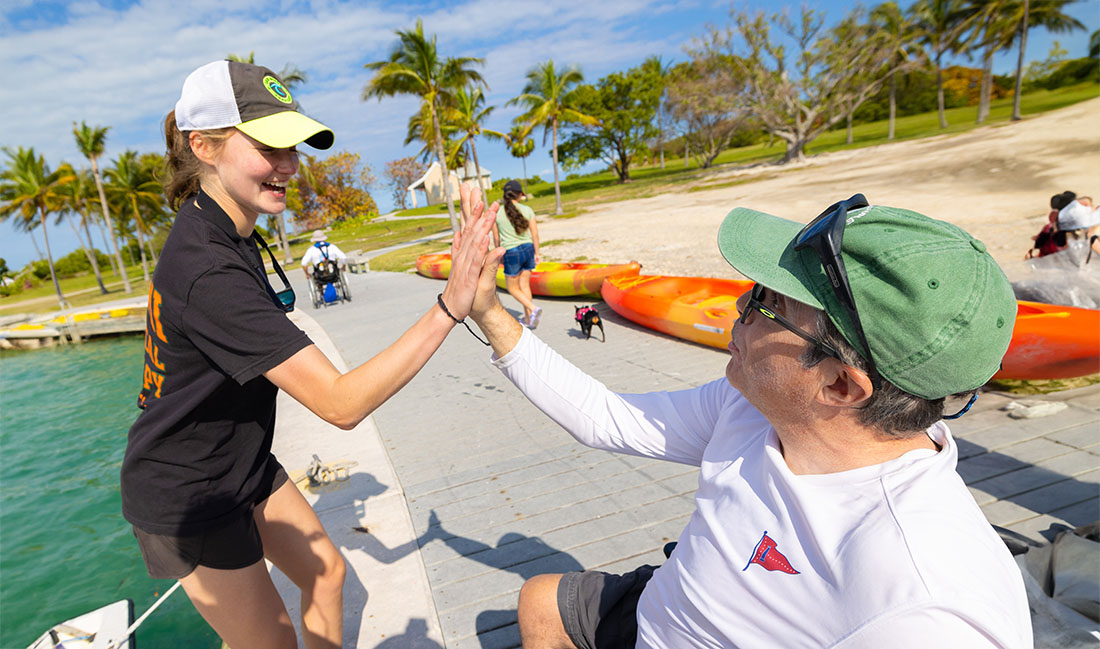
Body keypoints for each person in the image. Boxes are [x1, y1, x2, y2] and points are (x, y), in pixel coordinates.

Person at [461, 189, 1032, 648]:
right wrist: (487, 308)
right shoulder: (759, 406)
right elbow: (607, 418)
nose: (740, 306)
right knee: (541, 600)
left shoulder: (921, 600)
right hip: (663, 609)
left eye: (769, 303)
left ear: (839, 384)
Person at [121, 60, 498, 649]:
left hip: (238, 461)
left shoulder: (228, 228)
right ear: (204, 146)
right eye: (269, 147)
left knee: (326, 574)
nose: (290, 165)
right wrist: (450, 306)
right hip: (190, 490)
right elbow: (339, 404)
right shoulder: (207, 265)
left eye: (292, 146)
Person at [493, 179, 542, 328]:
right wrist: (537, 253)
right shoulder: (527, 210)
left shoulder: (497, 213)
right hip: (528, 249)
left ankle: (533, 309)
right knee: (524, 285)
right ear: (520, 194)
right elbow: (535, 234)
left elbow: (496, 238)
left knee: (513, 288)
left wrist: (499, 254)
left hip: (511, 252)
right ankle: (528, 319)